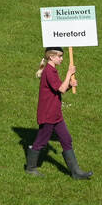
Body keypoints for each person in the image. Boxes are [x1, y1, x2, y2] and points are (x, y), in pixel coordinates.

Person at [25, 47, 92, 179]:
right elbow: (60, 88)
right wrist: (68, 74)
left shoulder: (52, 70)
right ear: (51, 57)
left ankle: (76, 172)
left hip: (56, 114)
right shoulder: (49, 71)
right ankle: (30, 168)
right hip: (48, 114)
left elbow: (58, 89)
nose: (61, 59)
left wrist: (70, 85)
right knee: (41, 141)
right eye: (59, 56)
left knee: (66, 139)